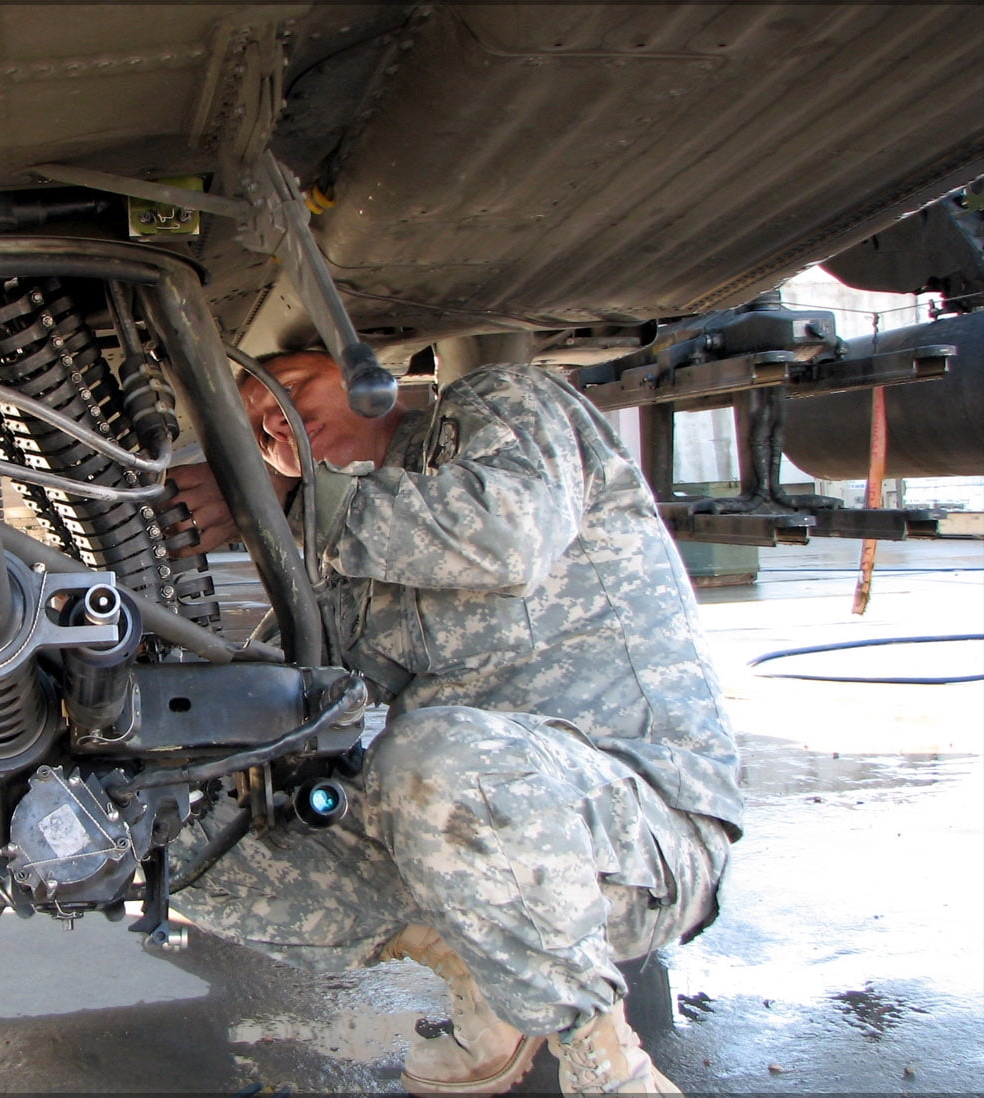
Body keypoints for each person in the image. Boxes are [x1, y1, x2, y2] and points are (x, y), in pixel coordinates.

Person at [167, 351, 741, 1096]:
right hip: (463, 828)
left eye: (288, 385)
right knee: (177, 821)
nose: (272, 416)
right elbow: (300, 699)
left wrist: (289, 500)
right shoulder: (344, 552)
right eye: (253, 428)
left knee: (436, 758)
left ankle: (601, 1051)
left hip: (636, 834)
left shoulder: (499, 403)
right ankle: (482, 968)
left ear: (360, 369)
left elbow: (512, 537)